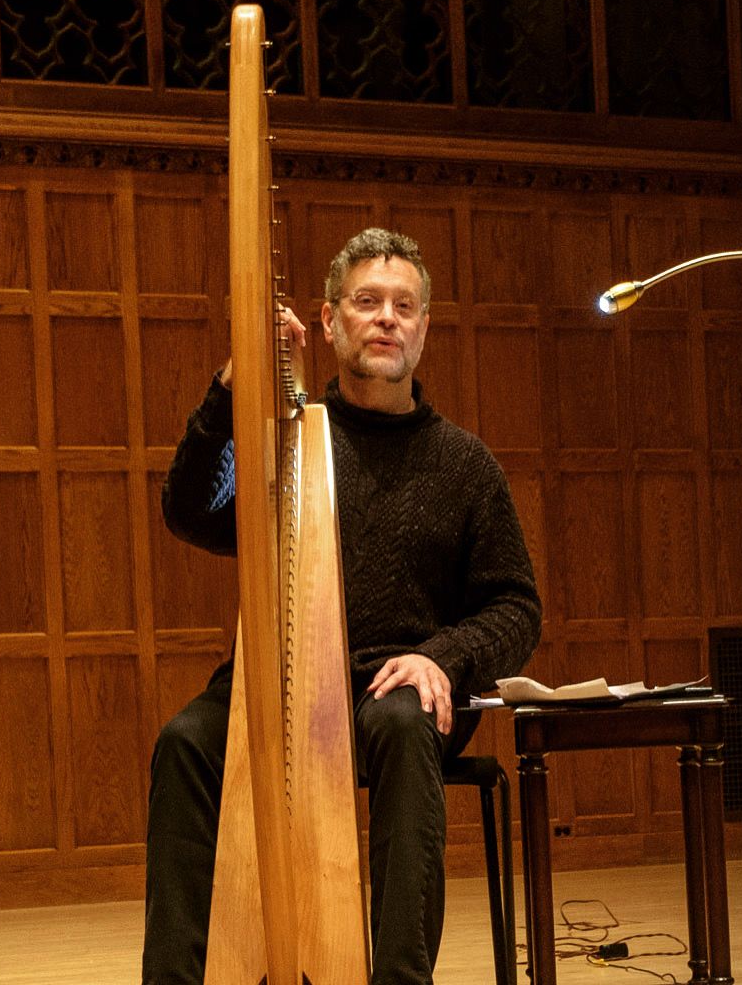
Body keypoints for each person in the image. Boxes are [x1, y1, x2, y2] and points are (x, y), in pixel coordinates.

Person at [142, 226, 541, 985]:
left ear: (423, 329)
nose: (387, 318)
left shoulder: (463, 463)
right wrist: (235, 380)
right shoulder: (284, 445)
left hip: (394, 691)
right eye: (367, 302)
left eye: (404, 306)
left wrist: (442, 658)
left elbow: (517, 605)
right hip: (279, 682)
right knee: (186, 742)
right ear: (329, 323)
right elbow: (190, 511)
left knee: (399, 723)